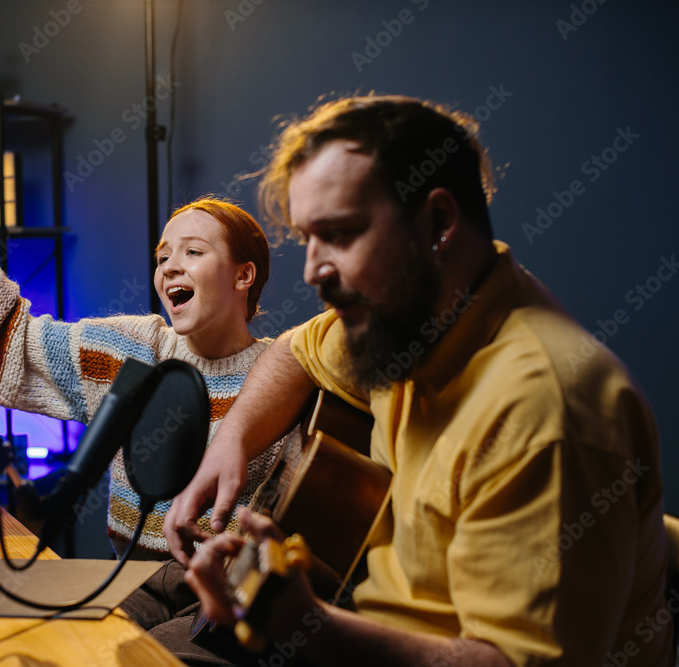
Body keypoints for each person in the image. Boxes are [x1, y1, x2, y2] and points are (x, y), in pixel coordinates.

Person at [164, 95, 670, 666]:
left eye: (340, 234)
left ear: (437, 223)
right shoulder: (403, 321)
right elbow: (295, 351)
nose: (312, 271)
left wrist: (307, 626)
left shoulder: (546, 407)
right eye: (308, 238)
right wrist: (231, 440)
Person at [0, 162, 298, 661]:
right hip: (130, 575)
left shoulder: (286, 377)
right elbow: (6, 342)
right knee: (51, 649)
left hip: (225, 590)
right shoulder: (132, 348)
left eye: (193, 252)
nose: (170, 266)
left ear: (243, 275)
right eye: (162, 256)